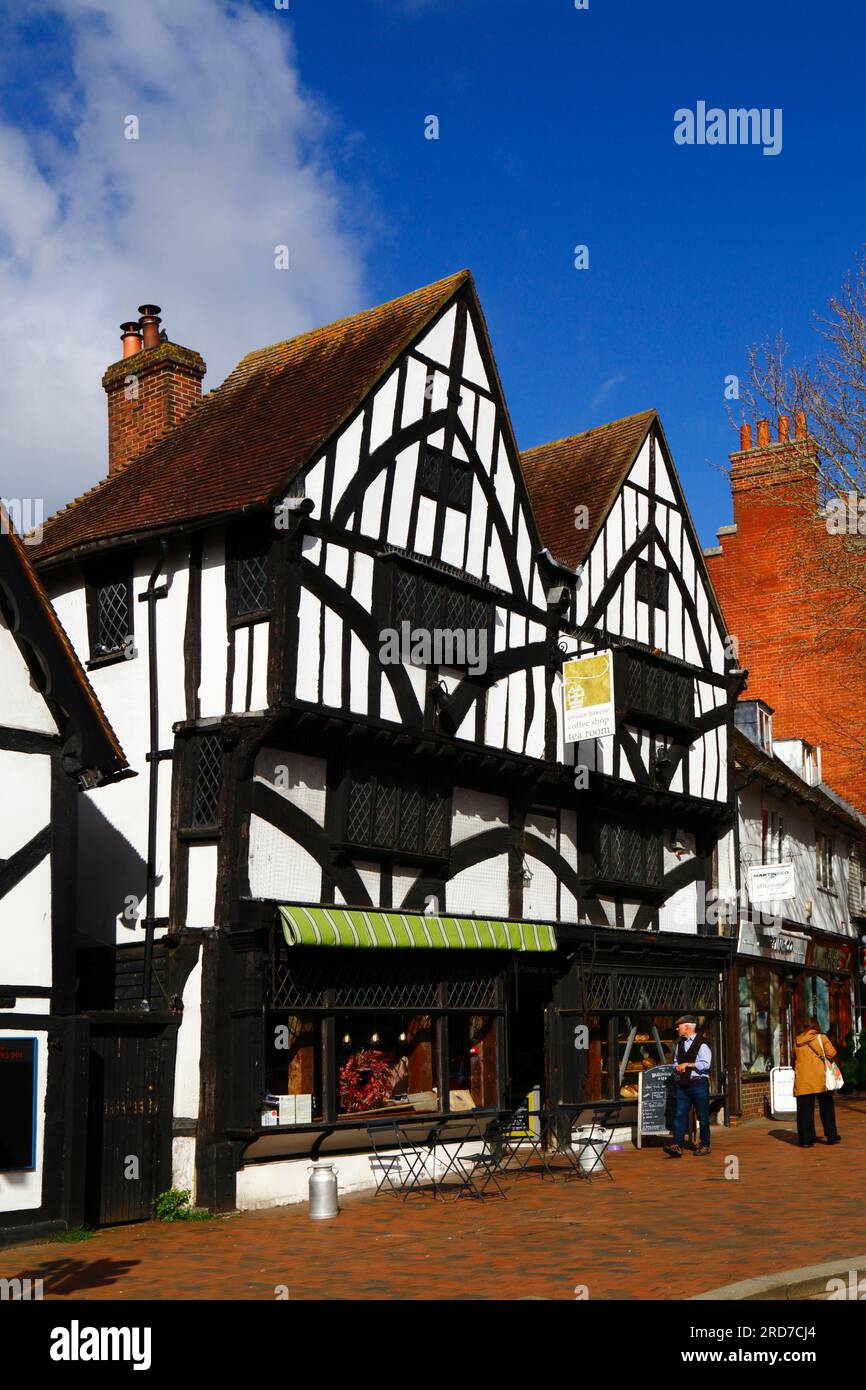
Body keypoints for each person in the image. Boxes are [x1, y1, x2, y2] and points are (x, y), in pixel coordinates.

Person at [663, 1015, 712, 1157]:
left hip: (699, 1083)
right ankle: (677, 1145)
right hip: (683, 1084)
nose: (677, 1028)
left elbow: (705, 1064)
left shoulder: (702, 1043)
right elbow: (676, 1061)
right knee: (679, 1115)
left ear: (687, 1027)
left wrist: (688, 1064)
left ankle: (705, 1145)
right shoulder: (679, 1044)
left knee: (702, 1116)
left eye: (679, 1025)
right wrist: (676, 1067)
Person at [793, 1015, 841, 1148]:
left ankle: (806, 1140)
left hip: (803, 1079)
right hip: (821, 1078)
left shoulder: (797, 1040)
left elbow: (794, 1058)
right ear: (815, 1025)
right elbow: (832, 1053)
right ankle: (831, 1136)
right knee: (827, 1108)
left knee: (804, 1110)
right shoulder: (821, 1037)